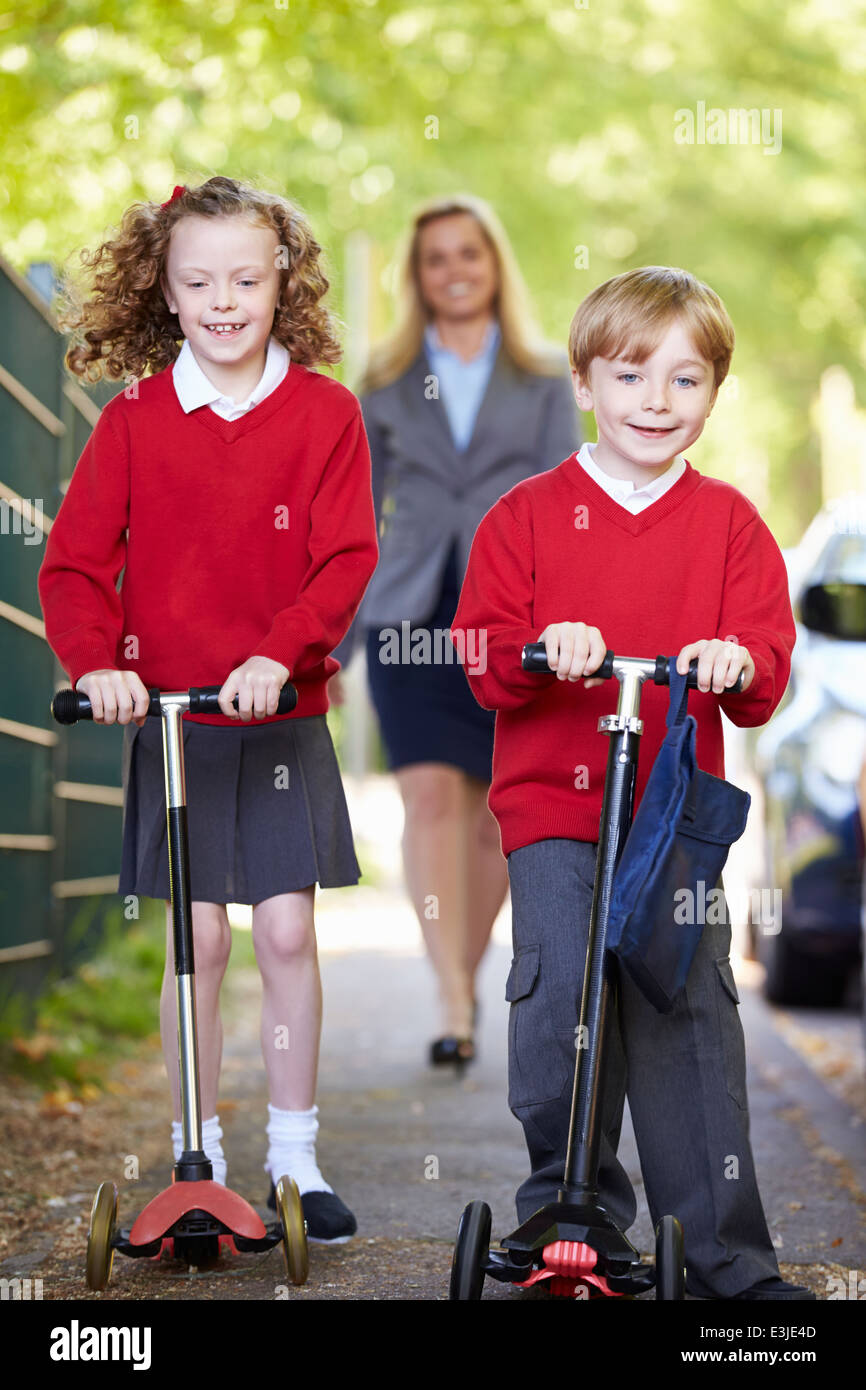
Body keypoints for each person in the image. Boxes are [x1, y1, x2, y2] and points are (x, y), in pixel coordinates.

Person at [450, 265, 816, 1298]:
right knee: (558, 989)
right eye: (628, 376)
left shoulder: (730, 527)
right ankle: (574, 1209)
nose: (655, 403)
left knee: (686, 1005)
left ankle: (723, 1257)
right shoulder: (523, 518)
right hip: (553, 808)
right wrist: (539, 647)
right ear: (582, 383)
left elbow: (762, 670)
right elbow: (481, 655)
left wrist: (735, 661)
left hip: (671, 812)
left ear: (711, 394)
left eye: (684, 381)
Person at [37, 175, 378, 1244]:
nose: (223, 299)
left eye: (244, 277)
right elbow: (75, 566)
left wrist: (282, 653)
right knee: (196, 938)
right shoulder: (136, 419)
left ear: (283, 283)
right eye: (198, 281)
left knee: (281, 929)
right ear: (165, 293)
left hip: (272, 723)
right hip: (174, 723)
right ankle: (200, 1153)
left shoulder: (324, 413)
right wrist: (99, 664)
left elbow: (343, 557)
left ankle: (293, 1155)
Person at [331, 194, 581, 1069]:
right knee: (431, 797)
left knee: (491, 821)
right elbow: (355, 518)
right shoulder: (386, 383)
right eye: (436, 258)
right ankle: (448, 998)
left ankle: (468, 979)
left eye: (468, 253)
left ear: (494, 263)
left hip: (513, 616)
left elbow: (567, 501)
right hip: (409, 614)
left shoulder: (549, 379)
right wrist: (333, 643)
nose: (454, 270)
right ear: (420, 276)